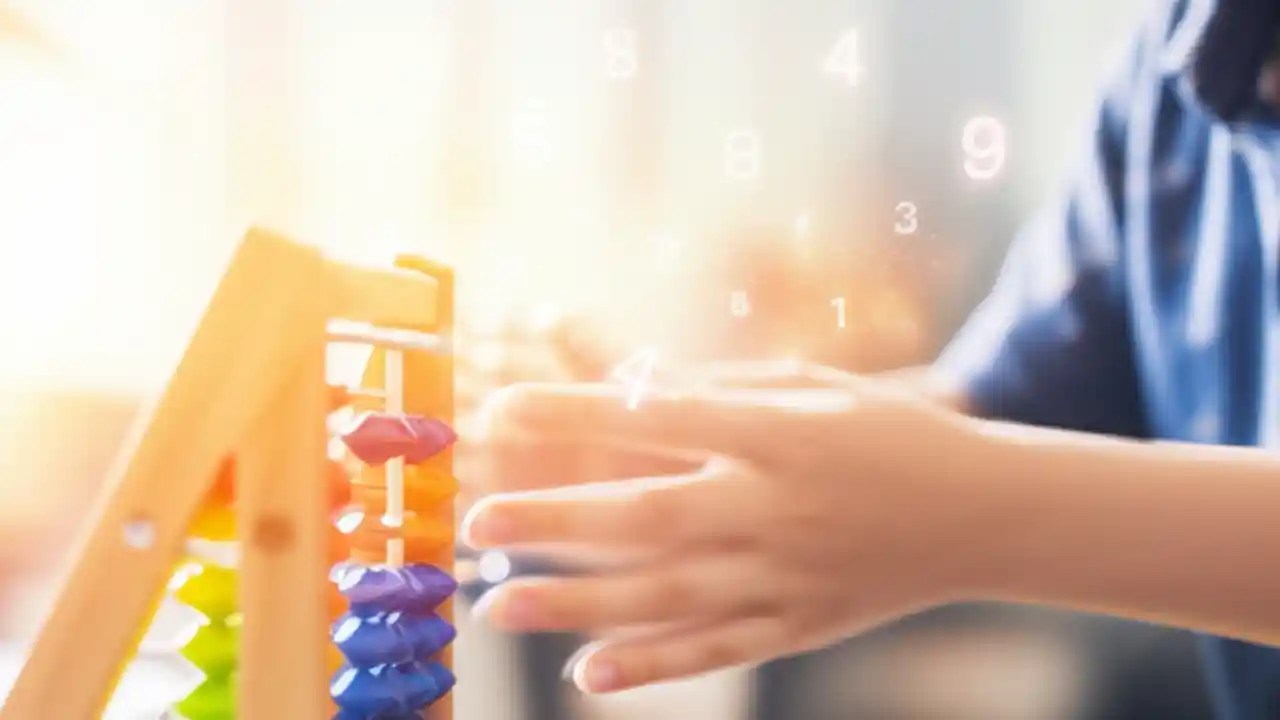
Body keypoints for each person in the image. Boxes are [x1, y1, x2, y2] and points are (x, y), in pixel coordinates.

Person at [464, 1, 1280, 718]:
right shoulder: (1175, 65)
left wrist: (979, 511)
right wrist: (696, 456)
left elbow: (991, 470)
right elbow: (1008, 409)